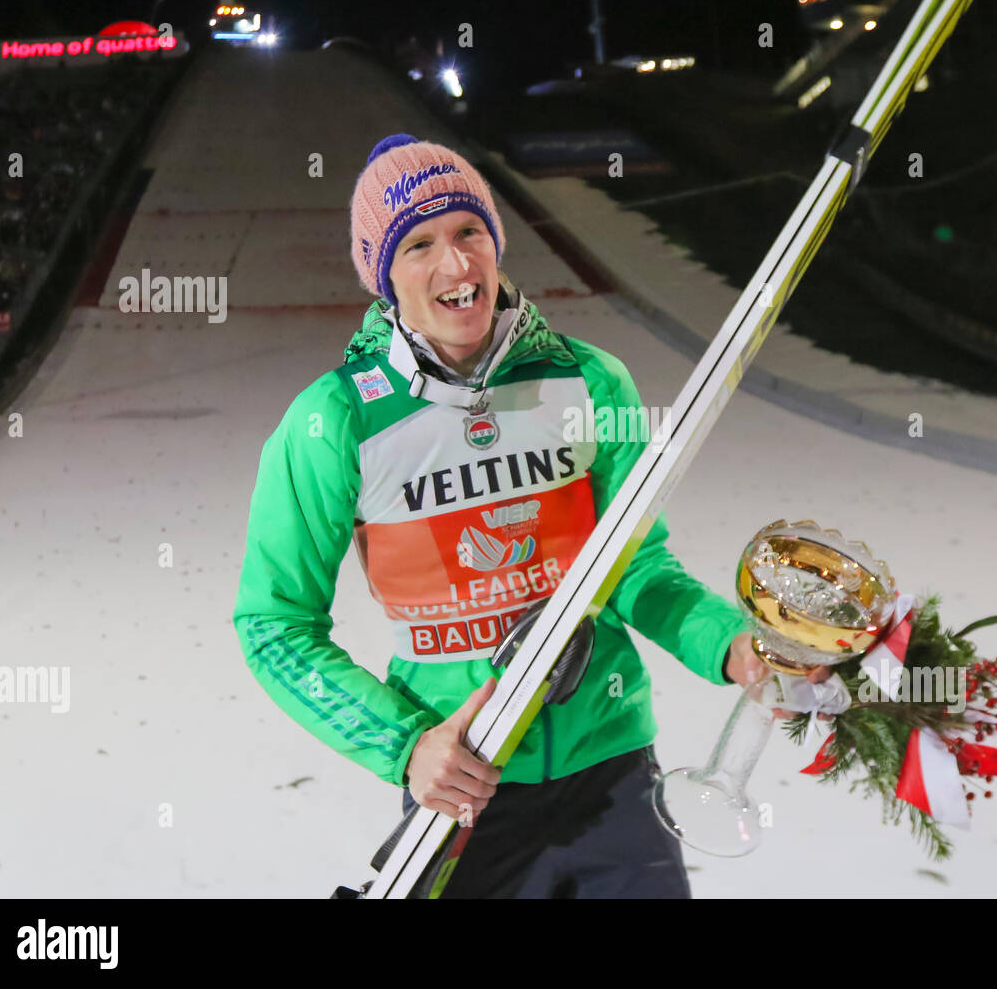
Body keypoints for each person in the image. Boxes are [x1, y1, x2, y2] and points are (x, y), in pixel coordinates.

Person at [233, 132, 811, 899]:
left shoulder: (589, 381)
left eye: (470, 231)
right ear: (382, 274)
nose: (456, 265)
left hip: (612, 775)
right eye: (419, 245)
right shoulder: (335, 421)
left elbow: (634, 566)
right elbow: (274, 626)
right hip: (465, 788)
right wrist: (406, 745)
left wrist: (730, 645)